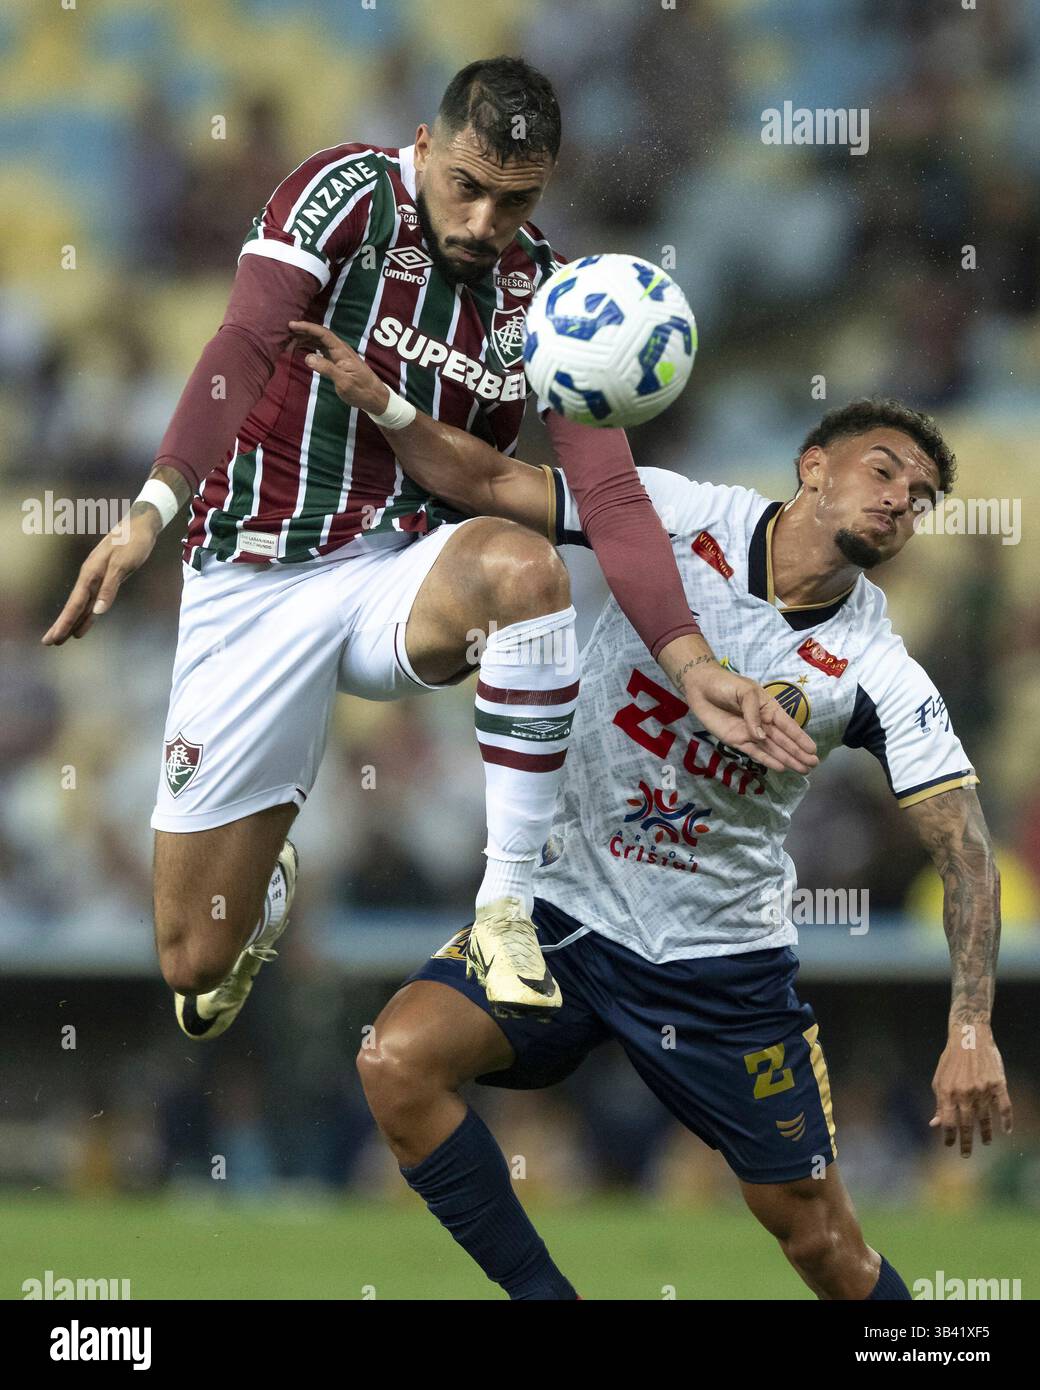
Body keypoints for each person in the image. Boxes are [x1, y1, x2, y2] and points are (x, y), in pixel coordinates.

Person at [41, 57, 815, 1040]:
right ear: (424, 147)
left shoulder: (547, 292)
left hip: (405, 577)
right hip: (254, 568)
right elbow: (241, 345)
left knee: (526, 568)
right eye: (468, 187)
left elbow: (609, 498)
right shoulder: (344, 196)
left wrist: (689, 661)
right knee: (192, 954)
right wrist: (153, 506)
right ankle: (264, 887)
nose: (485, 222)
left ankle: (503, 911)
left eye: (516, 199)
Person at [297, 334, 1010, 1300]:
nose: (899, 500)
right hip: (563, 915)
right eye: (882, 471)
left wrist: (972, 1025)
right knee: (397, 1063)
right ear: (813, 468)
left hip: (716, 962)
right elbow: (490, 480)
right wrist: (384, 403)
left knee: (821, 1247)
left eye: (920, 498)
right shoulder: (678, 519)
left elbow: (966, 855)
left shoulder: (879, 666)